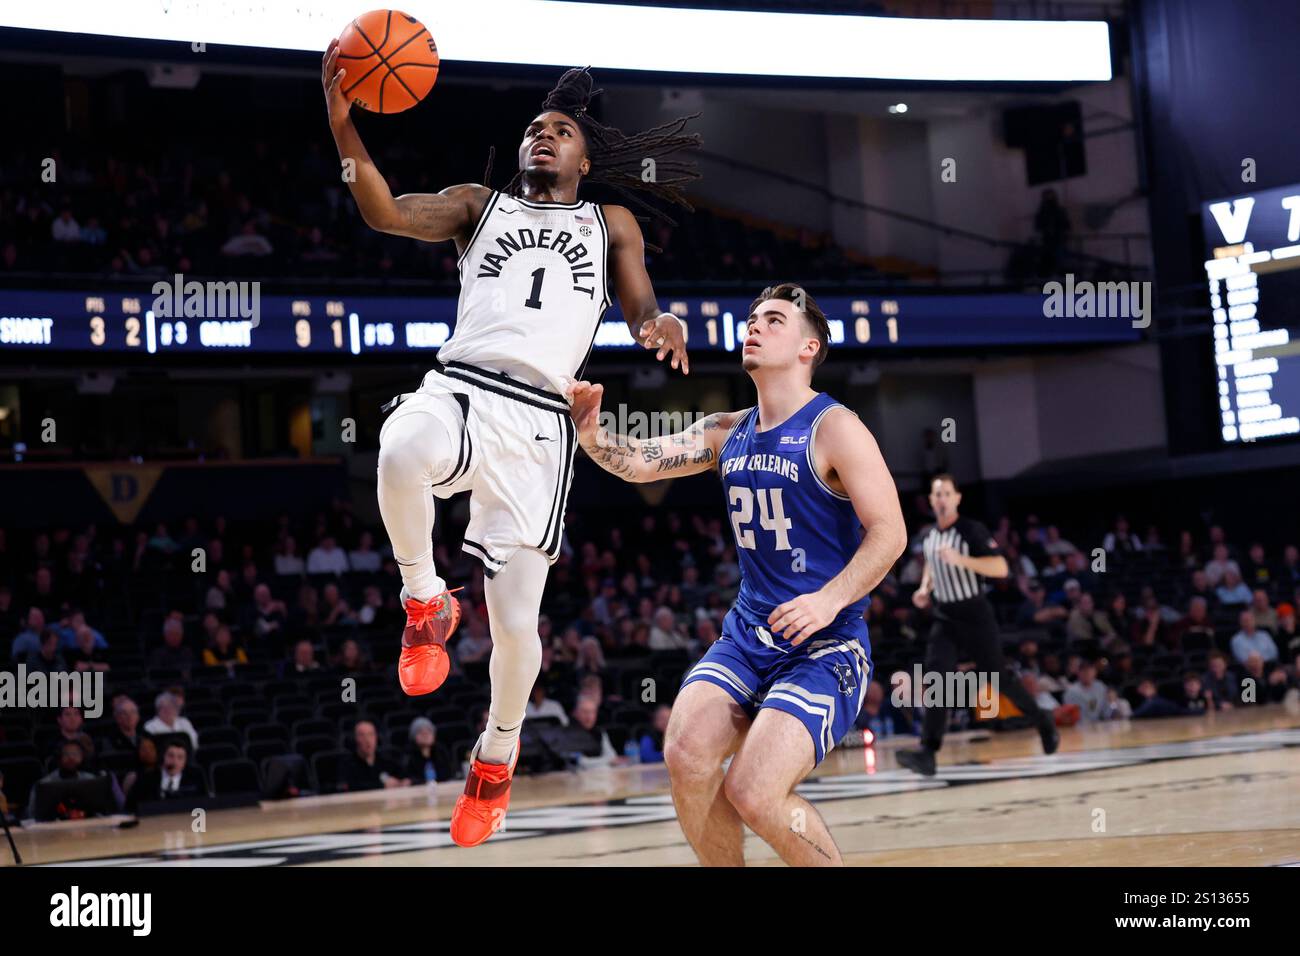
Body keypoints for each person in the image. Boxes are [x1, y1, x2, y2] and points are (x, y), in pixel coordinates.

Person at [324, 50, 701, 849]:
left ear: (584, 158)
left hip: (540, 424)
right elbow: (385, 212)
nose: (543, 136)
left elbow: (640, 309)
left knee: (518, 628)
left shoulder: (611, 223)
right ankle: (423, 598)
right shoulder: (476, 206)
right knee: (397, 449)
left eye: (559, 130)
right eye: (534, 128)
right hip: (462, 385)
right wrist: (343, 125)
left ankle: (496, 754)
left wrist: (657, 325)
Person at [570, 283, 907, 866]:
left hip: (825, 646)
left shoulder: (836, 428)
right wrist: (592, 436)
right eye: (752, 318)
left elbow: (891, 533)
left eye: (773, 320)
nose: (753, 326)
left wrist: (828, 600)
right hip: (749, 637)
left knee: (752, 791)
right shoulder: (729, 431)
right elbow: (643, 461)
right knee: (686, 755)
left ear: (809, 347)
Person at [897, 476, 1060, 776]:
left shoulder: (972, 530)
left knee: (997, 678)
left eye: (947, 493)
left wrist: (962, 560)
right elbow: (933, 566)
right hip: (945, 614)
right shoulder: (931, 537)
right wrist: (924, 589)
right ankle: (928, 752)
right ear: (932, 502)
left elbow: (1000, 568)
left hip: (975, 612)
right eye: (937, 495)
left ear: (957, 498)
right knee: (936, 678)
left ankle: (1043, 720)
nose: (942, 499)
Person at [339, 721, 408, 791]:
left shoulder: (386, 761)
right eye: (362, 735)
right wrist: (381, 785)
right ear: (356, 739)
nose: (368, 740)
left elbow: (406, 777)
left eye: (371, 734)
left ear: (376, 737)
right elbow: (348, 786)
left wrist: (403, 782)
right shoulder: (347, 764)